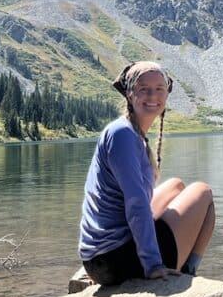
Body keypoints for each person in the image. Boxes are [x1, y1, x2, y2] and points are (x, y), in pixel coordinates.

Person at [78, 61, 215, 285]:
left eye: (159, 89)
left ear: (167, 94)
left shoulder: (128, 131)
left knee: (176, 185)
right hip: (114, 261)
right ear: (130, 94)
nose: (153, 96)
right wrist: (153, 264)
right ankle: (186, 274)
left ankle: (177, 265)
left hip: (101, 255)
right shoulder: (122, 134)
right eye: (144, 89)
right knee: (203, 192)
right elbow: (137, 203)